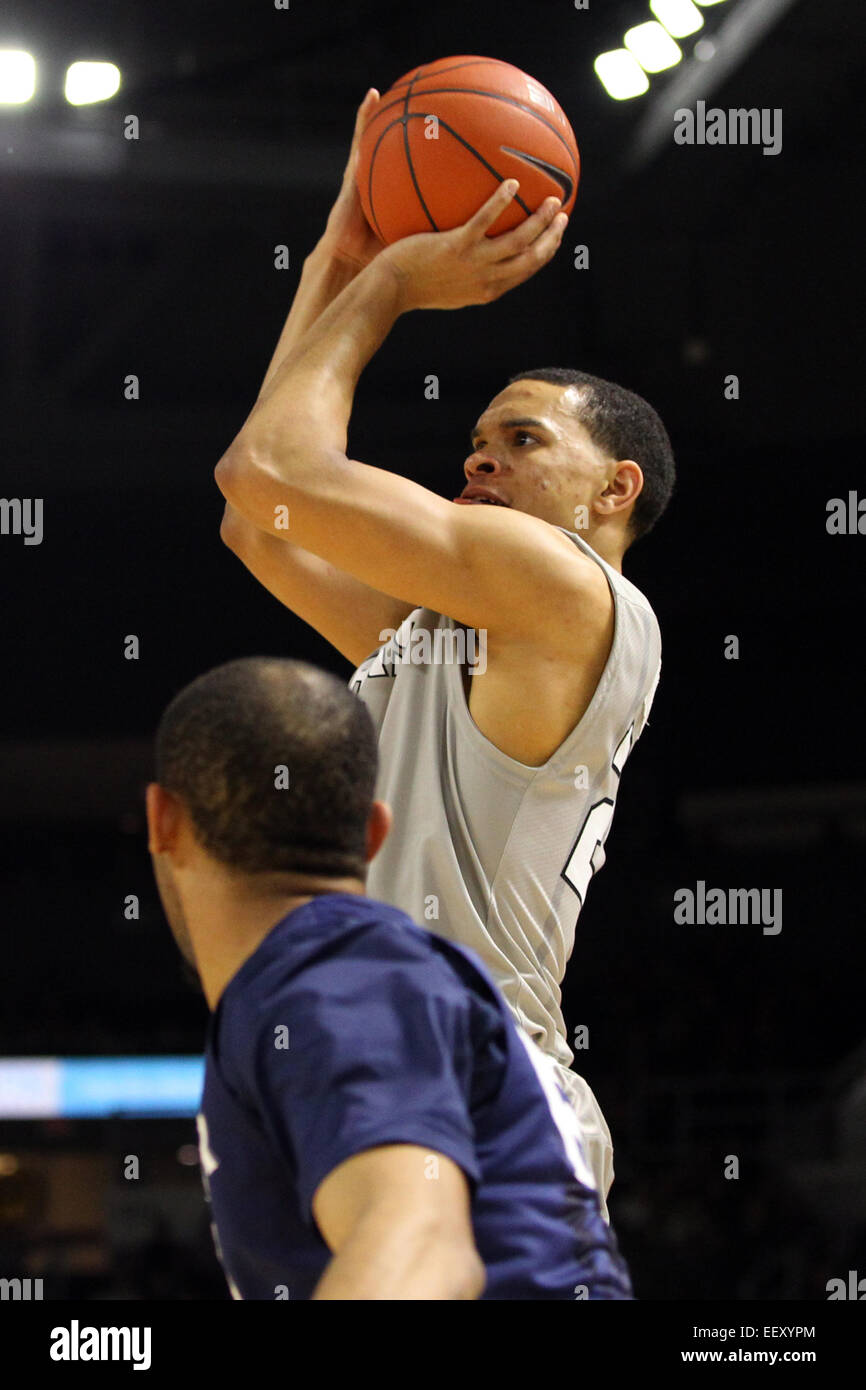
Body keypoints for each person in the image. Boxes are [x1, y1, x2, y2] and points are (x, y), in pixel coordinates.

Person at [217, 90, 674, 1214]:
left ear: (614, 490)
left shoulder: (570, 597)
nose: (477, 461)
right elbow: (250, 507)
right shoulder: (447, 637)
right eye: (472, 443)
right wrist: (339, 253)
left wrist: (382, 290)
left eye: (520, 440)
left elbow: (275, 476)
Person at [147, 656, 633, 1300]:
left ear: (162, 821)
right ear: (375, 832)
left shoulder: (333, 981)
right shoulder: (349, 973)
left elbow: (424, 1255)